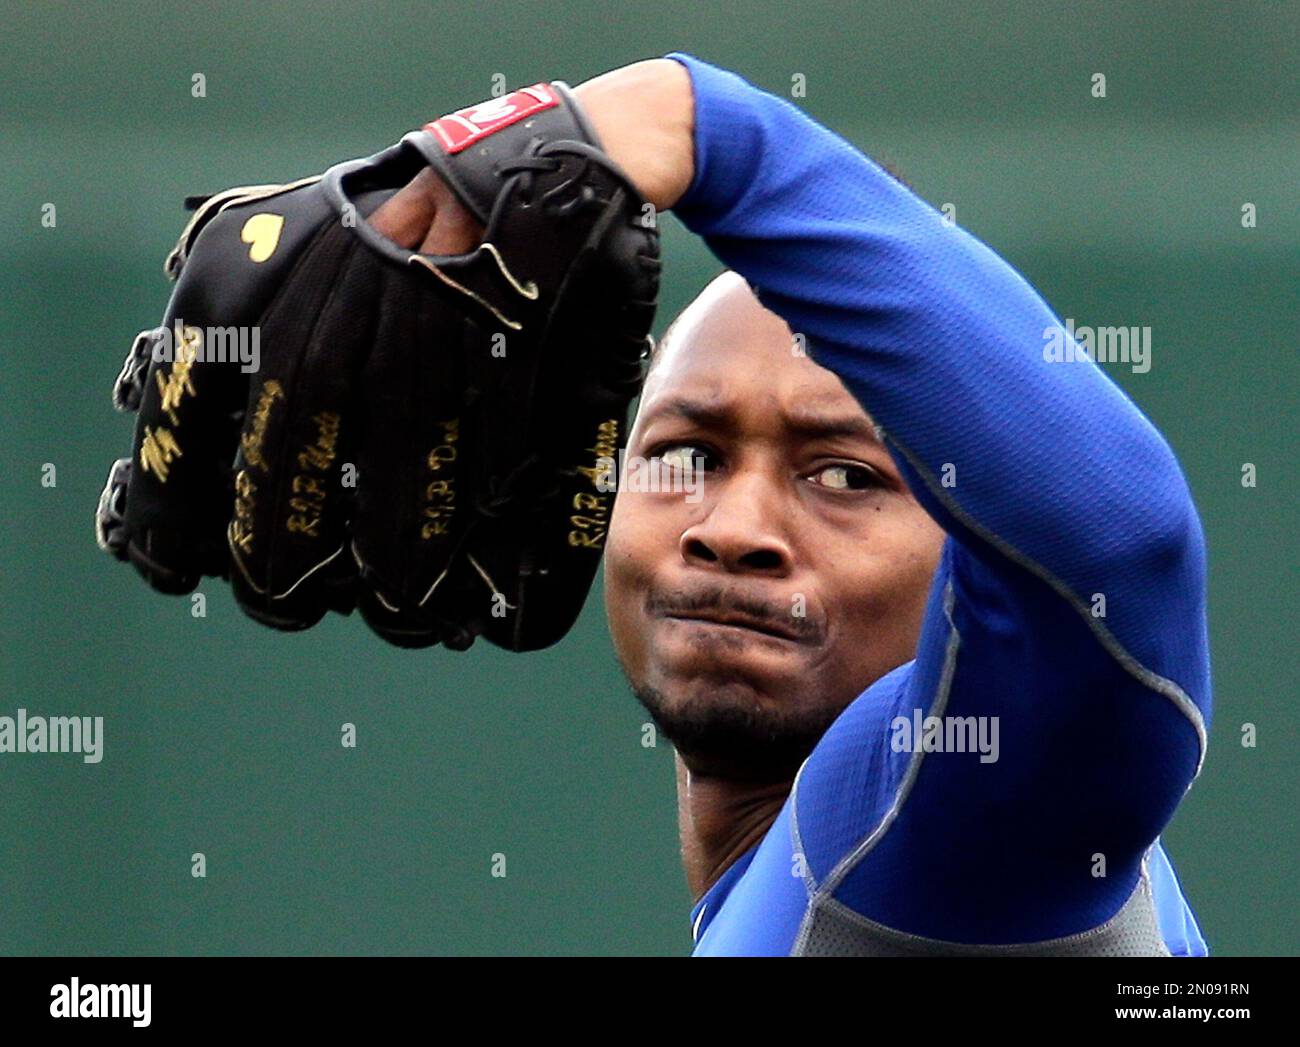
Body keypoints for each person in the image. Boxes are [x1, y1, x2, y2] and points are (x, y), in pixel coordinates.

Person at [377, 51, 1214, 956]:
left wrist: (711, 131)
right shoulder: (803, 889)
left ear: (971, 552)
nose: (733, 529)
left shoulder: (953, 827)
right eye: (687, 455)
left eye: (844, 475)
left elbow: (1117, 545)